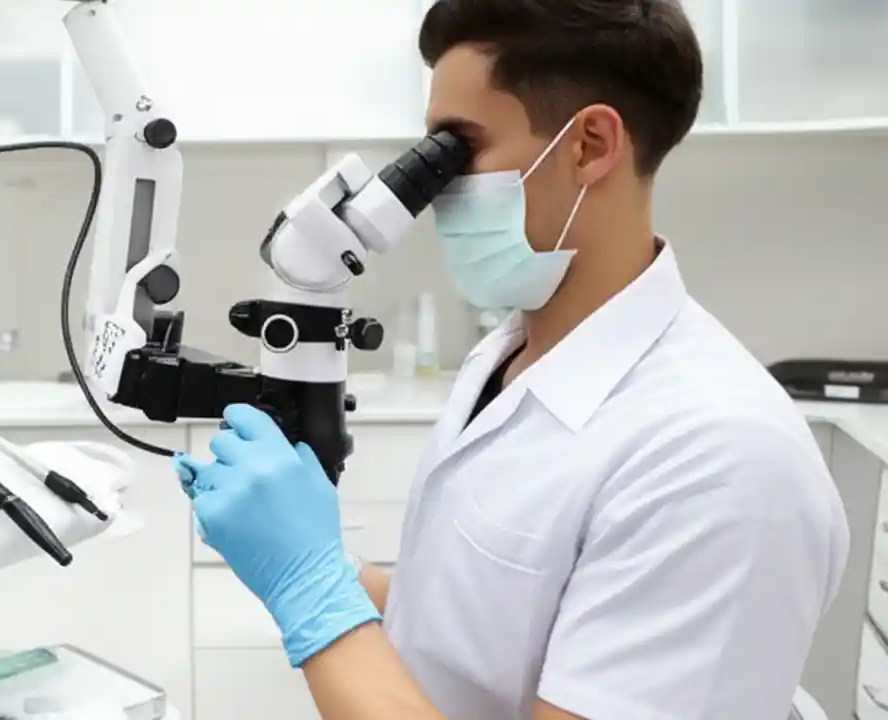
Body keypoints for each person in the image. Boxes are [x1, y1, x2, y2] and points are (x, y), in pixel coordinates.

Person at [174, 1, 851, 718]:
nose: (431, 196)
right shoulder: (507, 360)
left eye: (457, 149)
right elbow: (474, 635)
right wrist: (310, 555)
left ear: (589, 144)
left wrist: (308, 588)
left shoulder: (719, 461)